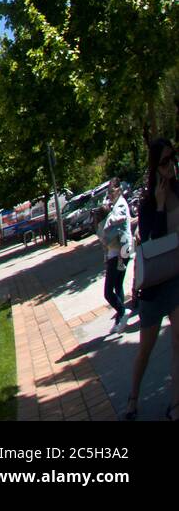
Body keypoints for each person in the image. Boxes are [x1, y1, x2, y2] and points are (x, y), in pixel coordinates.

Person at [125, 138, 179, 420]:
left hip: (177, 278)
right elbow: (151, 242)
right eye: (165, 161)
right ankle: (133, 396)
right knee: (146, 349)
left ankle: (175, 403)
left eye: (174, 158)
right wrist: (159, 206)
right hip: (155, 284)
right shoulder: (146, 203)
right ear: (155, 166)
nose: (171, 165)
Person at [97, 181, 133, 334]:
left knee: (108, 291)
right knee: (117, 285)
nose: (110, 195)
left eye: (112, 191)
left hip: (120, 251)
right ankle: (120, 320)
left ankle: (122, 313)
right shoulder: (116, 203)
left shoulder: (121, 204)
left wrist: (107, 223)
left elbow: (119, 218)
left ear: (119, 190)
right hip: (118, 250)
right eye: (109, 192)